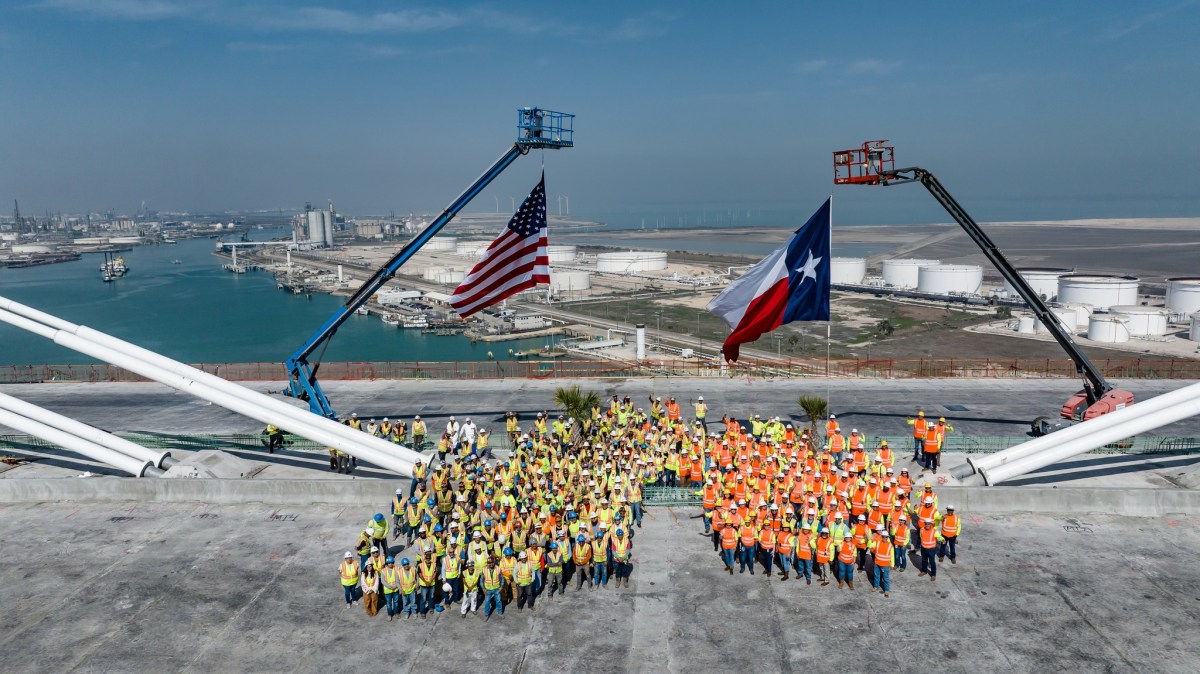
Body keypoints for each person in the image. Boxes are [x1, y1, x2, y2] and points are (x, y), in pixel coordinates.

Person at [868, 524, 894, 597]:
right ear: (881, 536)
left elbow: (892, 556)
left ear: (888, 537)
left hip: (885, 564)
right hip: (877, 563)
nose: (884, 538)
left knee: (885, 577)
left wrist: (892, 564)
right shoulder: (877, 542)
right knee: (877, 576)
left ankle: (886, 590)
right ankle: (876, 586)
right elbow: (869, 546)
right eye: (883, 536)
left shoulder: (890, 545)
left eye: (886, 537)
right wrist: (870, 539)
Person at [481, 556, 504, 621]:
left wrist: (501, 587)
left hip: (496, 589)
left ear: (494, 562)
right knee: (487, 602)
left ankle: (500, 613)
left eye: (492, 562)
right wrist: (483, 589)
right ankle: (486, 614)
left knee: (498, 601)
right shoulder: (484, 569)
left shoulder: (498, 569)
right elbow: (481, 580)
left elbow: (502, 579)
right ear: (487, 563)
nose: (491, 564)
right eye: (489, 563)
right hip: (487, 589)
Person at [380, 556, 401, 621]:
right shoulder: (383, 571)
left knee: (396, 602)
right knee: (388, 603)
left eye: (391, 562)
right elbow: (383, 581)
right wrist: (389, 586)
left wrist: (395, 586)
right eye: (389, 563)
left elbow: (400, 578)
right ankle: (389, 614)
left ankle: (396, 613)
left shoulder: (397, 569)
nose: (390, 564)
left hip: (395, 589)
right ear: (387, 563)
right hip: (388, 590)